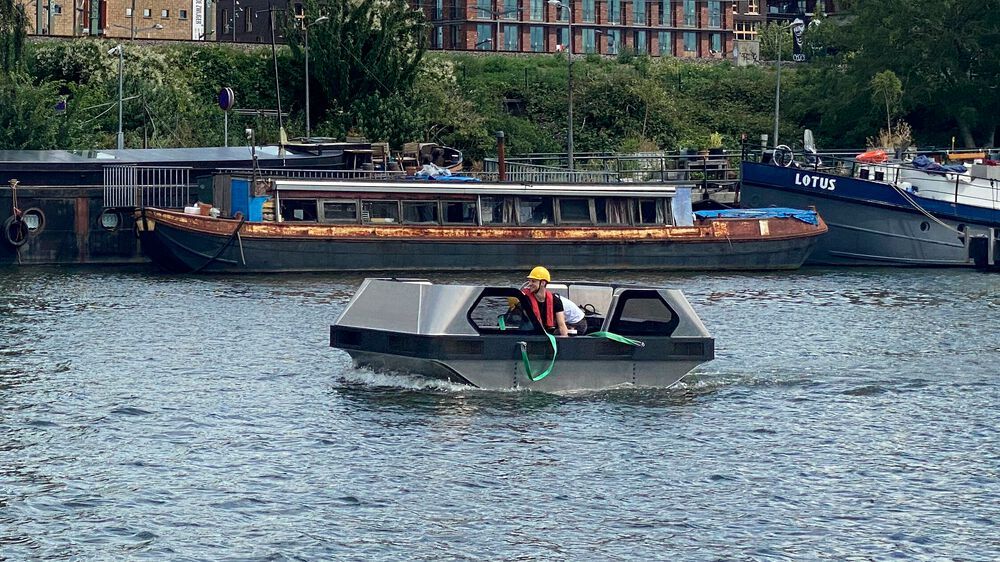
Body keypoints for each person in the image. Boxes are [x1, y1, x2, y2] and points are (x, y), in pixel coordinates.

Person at [521, 266, 572, 337]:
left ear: (543, 283)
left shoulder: (556, 301)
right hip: (529, 335)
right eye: (529, 281)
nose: (529, 284)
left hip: (547, 335)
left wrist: (565, 339)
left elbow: (562, 325)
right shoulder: (525, 299)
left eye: (533, 281)